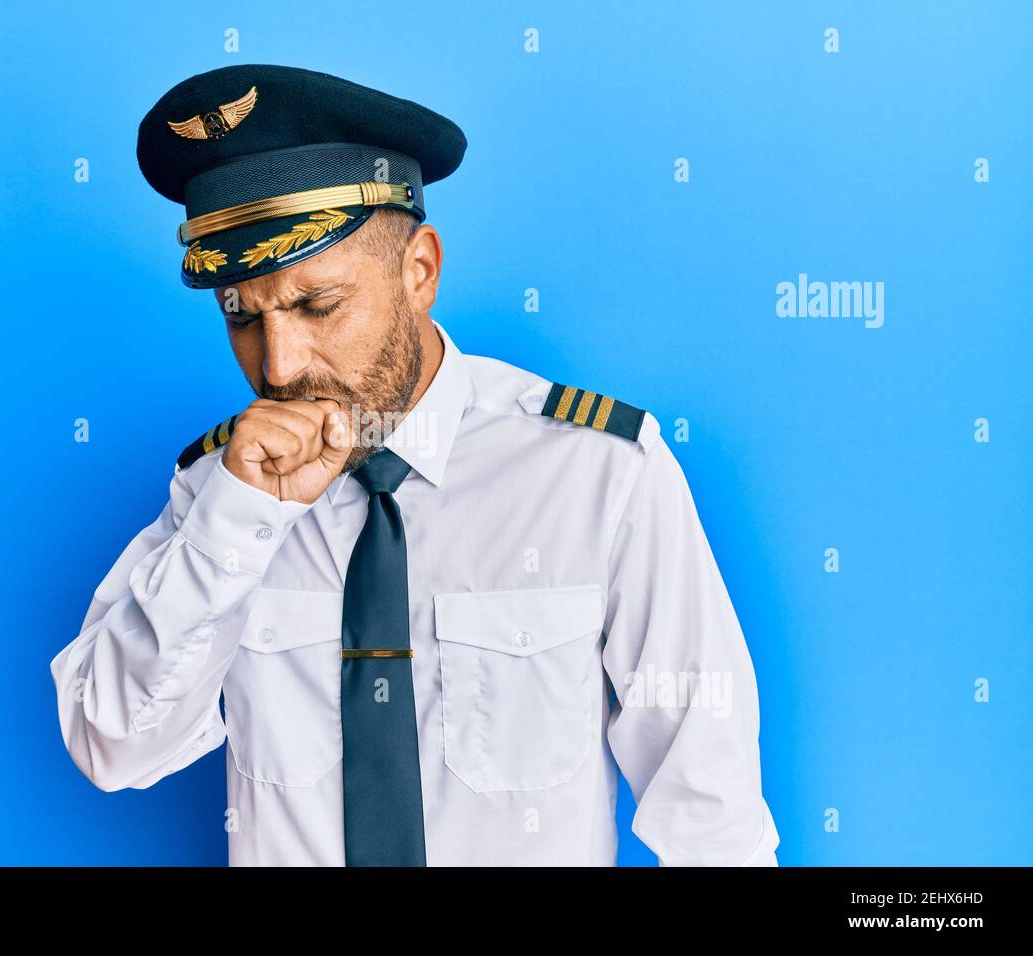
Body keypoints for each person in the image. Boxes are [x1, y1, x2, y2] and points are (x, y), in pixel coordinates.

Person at [49, 64, 780, 866]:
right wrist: (236, 522)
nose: (280, 366)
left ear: (420, 271)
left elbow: (712, 814)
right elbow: (112, 745)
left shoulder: (601, 473)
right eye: (243, 318)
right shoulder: (220, 491)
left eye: (316, 305)